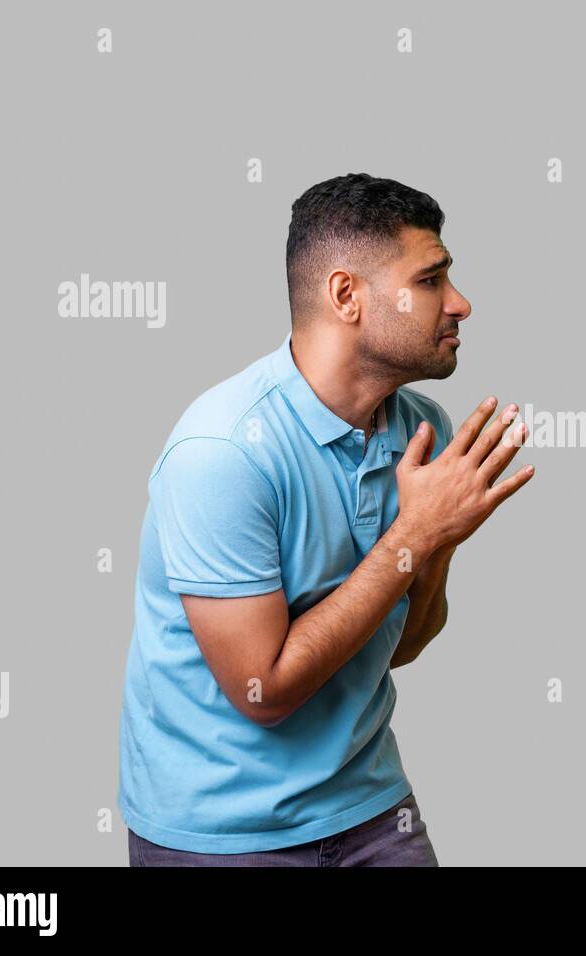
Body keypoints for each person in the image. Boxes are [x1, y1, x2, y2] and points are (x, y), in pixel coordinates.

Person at [118, 173, 535, 866]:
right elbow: (265, 690)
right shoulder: (221, 454)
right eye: (431, 280)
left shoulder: (421, 428)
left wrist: (439, 542)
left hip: (369, 808)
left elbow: (404, 645)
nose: (461, 303)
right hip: (222, 833)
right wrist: (418, 532)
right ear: (347, 296)